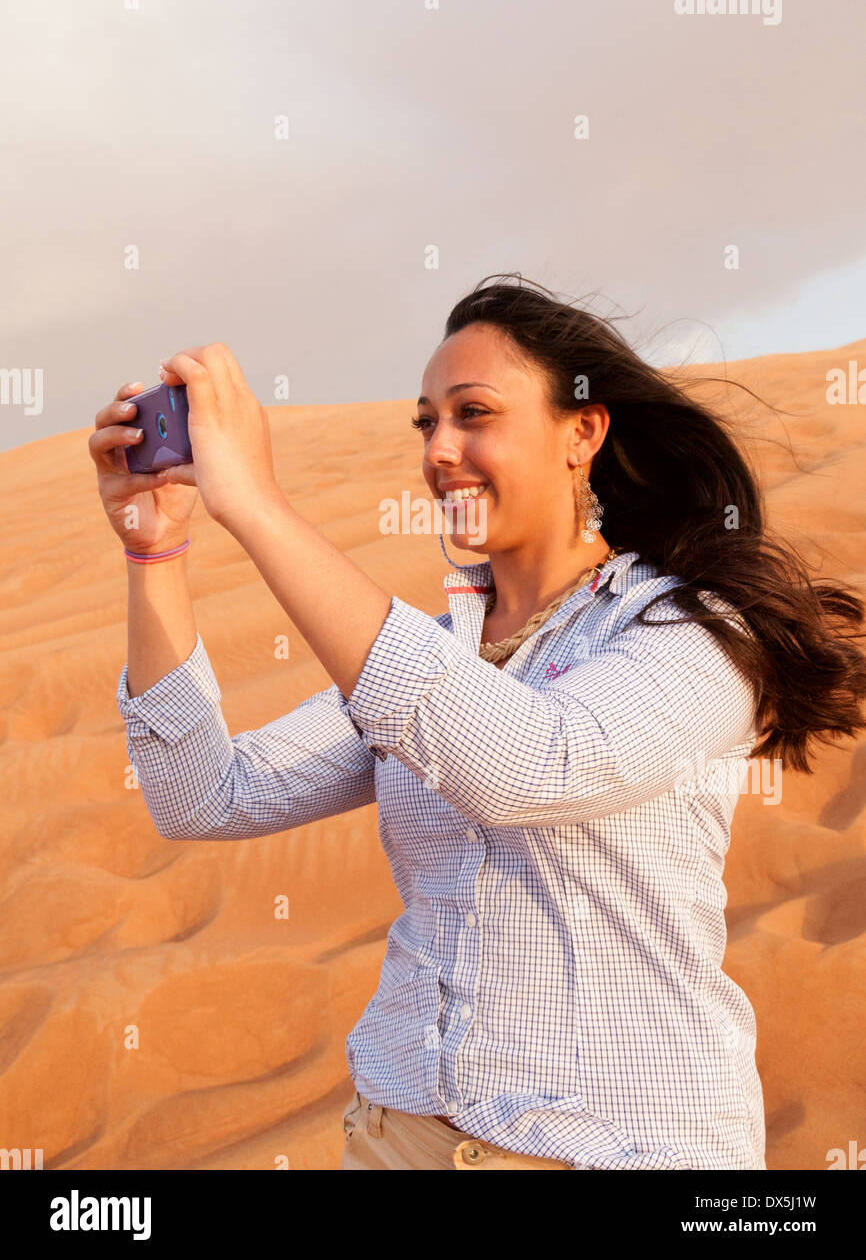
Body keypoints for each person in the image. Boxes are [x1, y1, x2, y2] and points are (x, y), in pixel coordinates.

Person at [89, 274, 866, 1171]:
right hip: (395, 1144)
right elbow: (203, 797)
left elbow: (532, 768)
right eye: (426, 422)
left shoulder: (695, 634)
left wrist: (258, 505)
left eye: (474, 413)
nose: (441, 450)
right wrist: (154, 555)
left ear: (583, 431)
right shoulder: (432, 651)